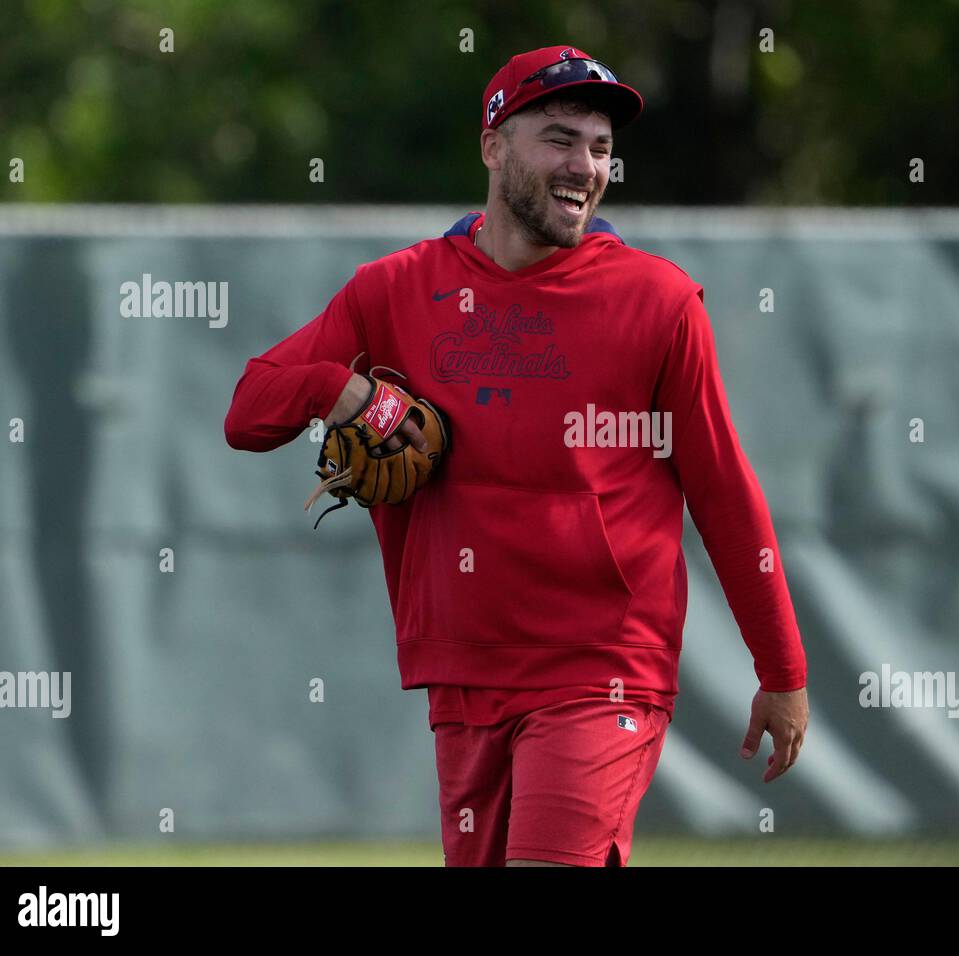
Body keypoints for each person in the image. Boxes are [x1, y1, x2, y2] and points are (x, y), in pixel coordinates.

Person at [223, 45, 808, 867]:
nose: (586, 167)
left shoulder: (659, 301)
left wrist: (782, 665)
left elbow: (723, 490)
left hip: (603, 669)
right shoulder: (396, 290)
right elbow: (247, 412)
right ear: (493, 146)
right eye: (559, 139)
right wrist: (344, 392)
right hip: (465, 674)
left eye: (601, 149)